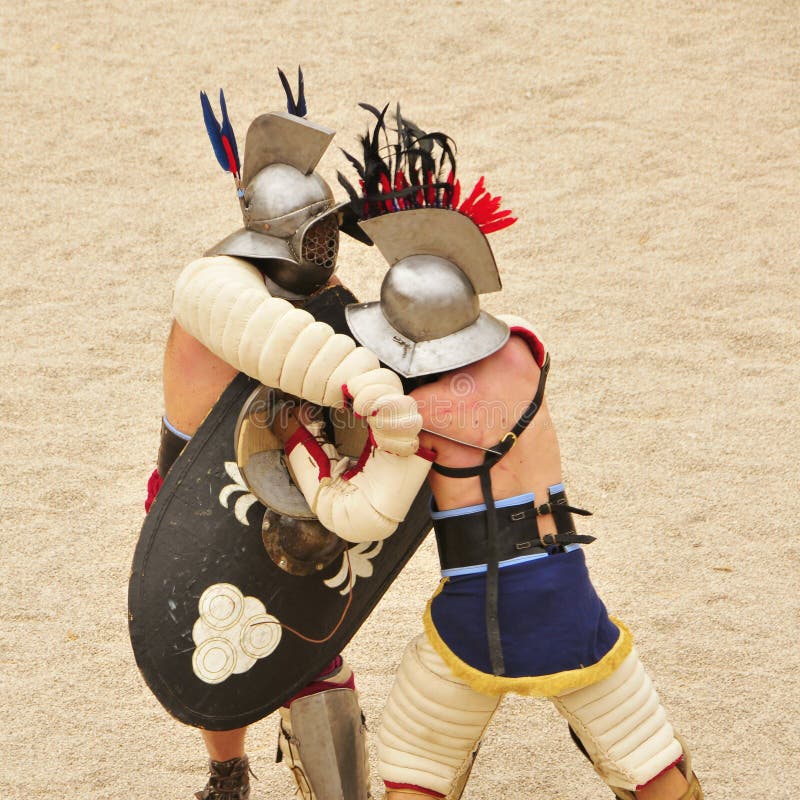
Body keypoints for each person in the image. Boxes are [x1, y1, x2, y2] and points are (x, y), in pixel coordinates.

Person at [279, 112, 704, 800]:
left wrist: (305, 443)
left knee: (414, 766)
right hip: (569, 593)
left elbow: (360, 515)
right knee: (646, 757)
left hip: (482, 613)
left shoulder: (415, 416)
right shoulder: (527, 350)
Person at [144, 71, 393, 800]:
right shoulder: (221, 296)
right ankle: (228, 770)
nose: (325, 247)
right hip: (201, 496)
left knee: (312, 652)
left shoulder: (318, 300)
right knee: (214, 642)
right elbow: (297, 358)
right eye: (311, 234)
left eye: (329, 230)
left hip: (296, 492)